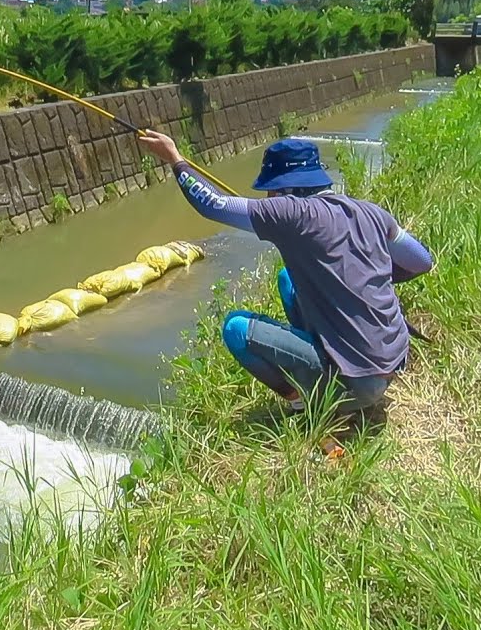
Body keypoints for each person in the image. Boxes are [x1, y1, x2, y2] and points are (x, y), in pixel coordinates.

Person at [136, 131, 435, 454]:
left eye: (270, 192)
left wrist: (176, 159)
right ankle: (326, 371)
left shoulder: (293, 213)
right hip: (392, 364)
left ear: (287, 189)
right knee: (287, 278)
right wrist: (368, 276)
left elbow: (211, 205)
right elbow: (421, 261)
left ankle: (304, 404)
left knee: (236, 329)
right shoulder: (373, 213)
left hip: (358, 385)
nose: (268, 199)